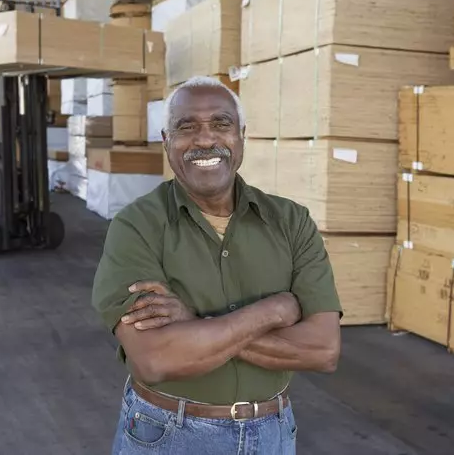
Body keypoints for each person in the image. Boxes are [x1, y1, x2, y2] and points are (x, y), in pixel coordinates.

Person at [91, 76, 343, 454]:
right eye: (186, 127)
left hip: (272, 434)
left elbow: (322, 350)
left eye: (221, 124)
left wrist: (194, 325)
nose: (205, 140)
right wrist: (275, 309)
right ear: (166, 141)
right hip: (168, 434)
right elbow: (155, 359)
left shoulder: (292, 222)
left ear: (241, 136)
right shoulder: (136, 226)